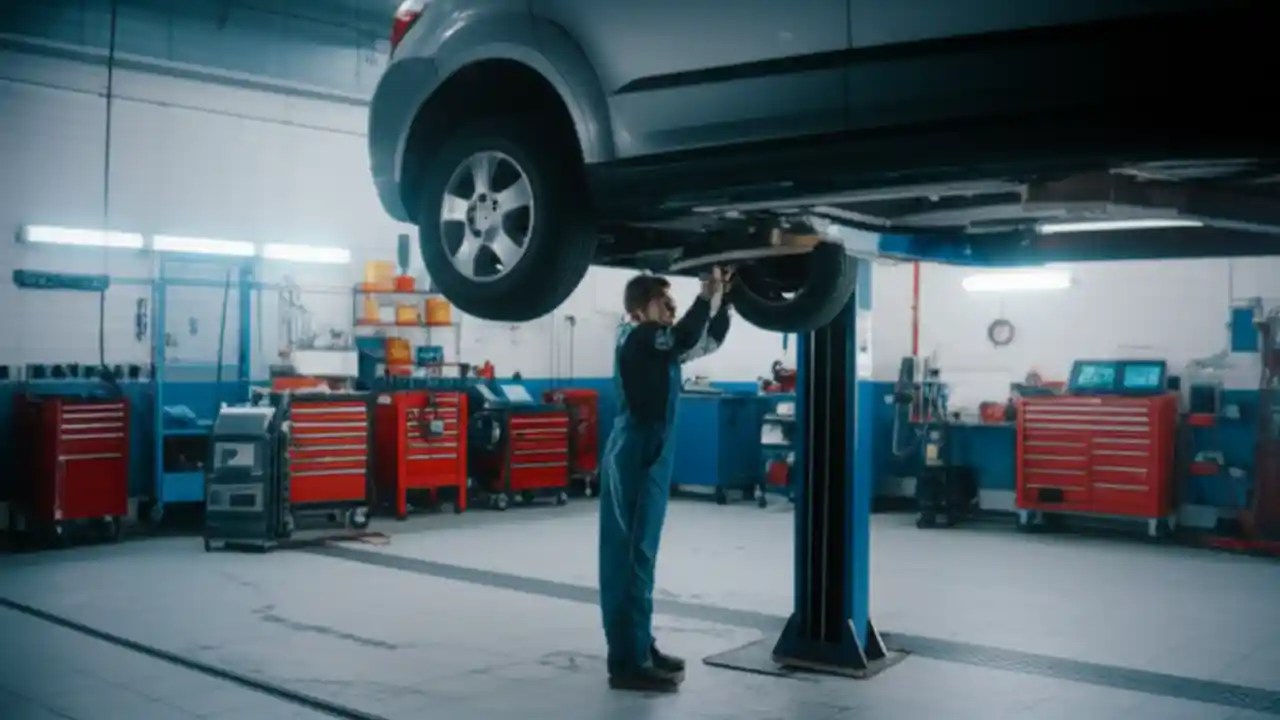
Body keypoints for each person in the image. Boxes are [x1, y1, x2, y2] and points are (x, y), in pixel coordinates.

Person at [599, 266, 733, 692]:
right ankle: (629, 662)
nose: (672, 309)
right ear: (639, 310)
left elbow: (703, 340)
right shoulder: (640, 337)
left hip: (649, 451)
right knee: (633, 556)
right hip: (638, 453)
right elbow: (683, 335)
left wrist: (723, 300)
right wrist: (703, 296)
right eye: (664, 301)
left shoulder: (659, 343)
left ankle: (639, 645)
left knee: (641, 554)